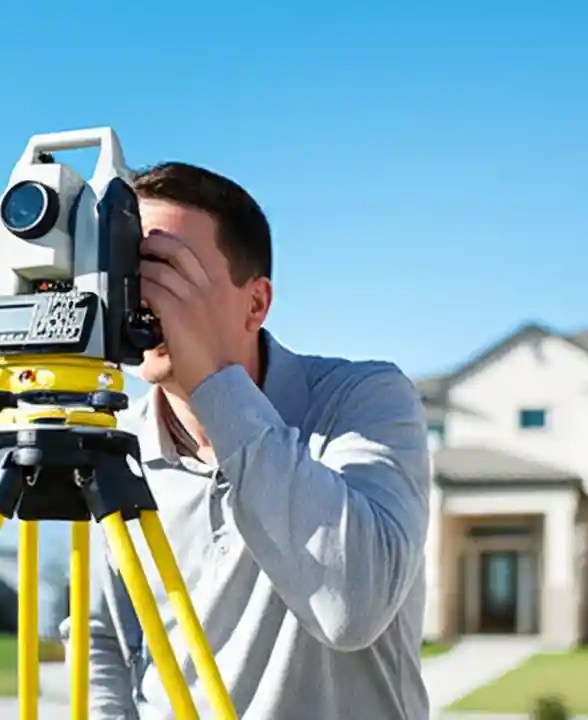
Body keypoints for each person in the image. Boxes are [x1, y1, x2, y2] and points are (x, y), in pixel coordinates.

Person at [62, 161, 432, 719]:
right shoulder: (119, 444)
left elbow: (351, 607)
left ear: (255, 303)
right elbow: (102, 638)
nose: (145, 296)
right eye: (130, 267)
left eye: (170, 270)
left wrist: (214, 383)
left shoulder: (362, 401)